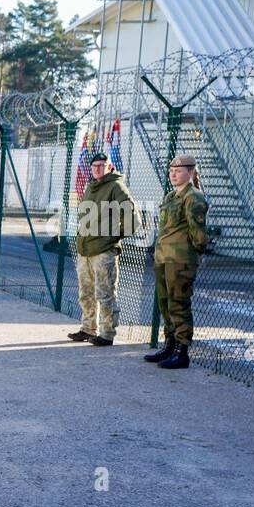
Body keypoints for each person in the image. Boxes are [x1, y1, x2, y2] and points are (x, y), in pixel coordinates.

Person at [145, 154, 210, 370]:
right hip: (164, 257)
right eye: (171, 170)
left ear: (190, 172)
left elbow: (197, 232)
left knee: (179, 303)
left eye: (179, 170)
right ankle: (169, 345)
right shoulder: (170, 197)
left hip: (180, 259)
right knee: (165, 304)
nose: (173, 174)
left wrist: (195, 254)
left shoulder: (194, 197)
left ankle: (182, 352)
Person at [69, 152, 138, 347]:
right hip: (86, 250)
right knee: (86, 292)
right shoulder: (91, 186)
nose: (98, 168)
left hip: (103, 251)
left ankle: (107, 333)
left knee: (105, 293)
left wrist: (112, 237)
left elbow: (133, 219)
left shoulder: (116, 187)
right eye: (95, 165)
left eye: (102, 165)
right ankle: (88, 328)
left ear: (109, 167)